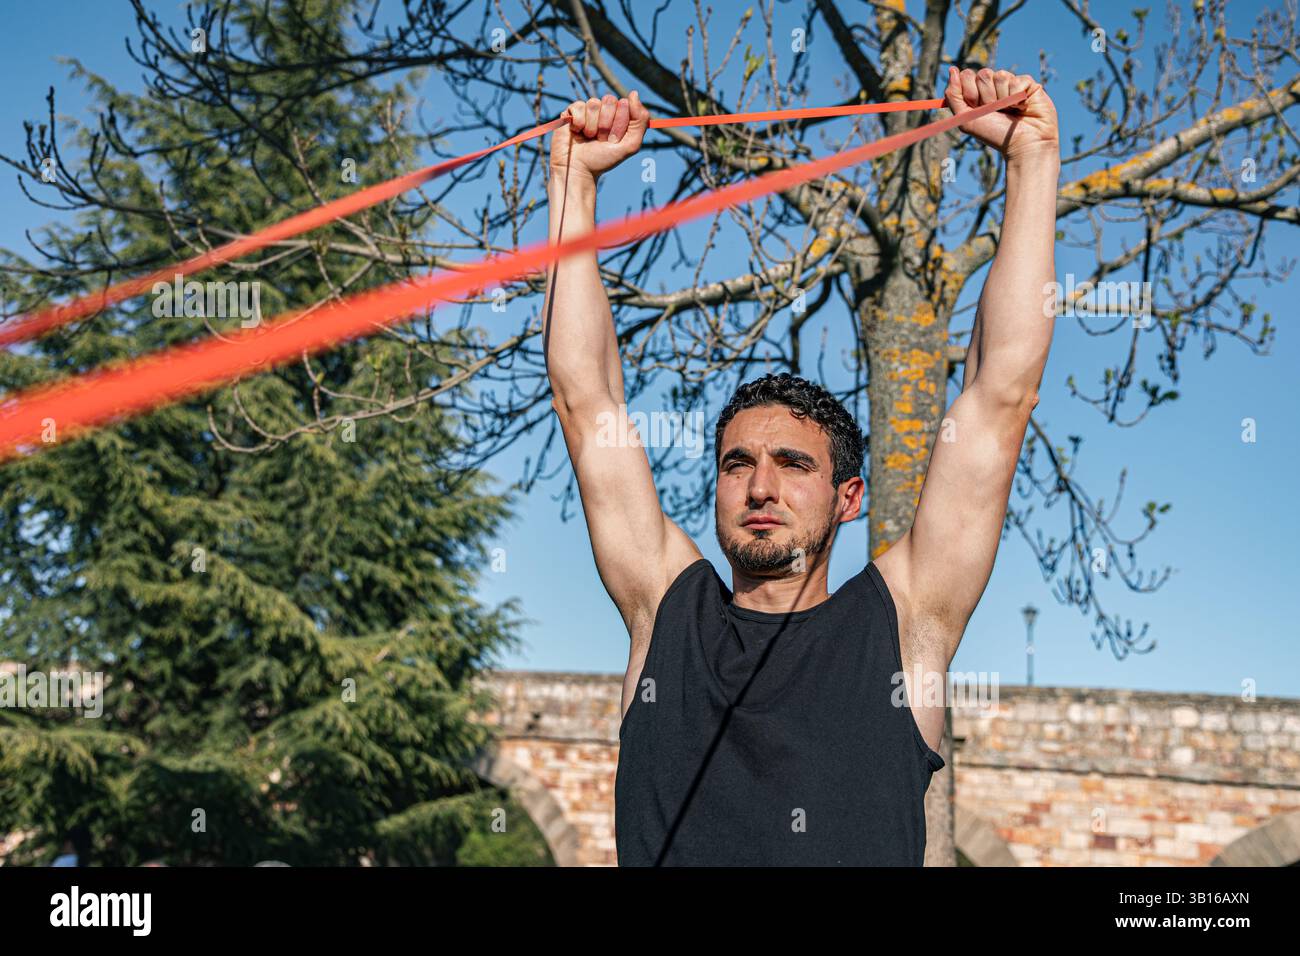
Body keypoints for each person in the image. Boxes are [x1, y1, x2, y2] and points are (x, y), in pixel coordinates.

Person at [542, 68, 1059, 865]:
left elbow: (1001, 399)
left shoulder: (905, 627)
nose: (760, 487)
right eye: (737, 463)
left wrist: (1032, 162)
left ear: (849, 496)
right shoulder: (664, 612)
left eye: (792, 465)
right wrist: (571, 185)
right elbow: (588, 400)